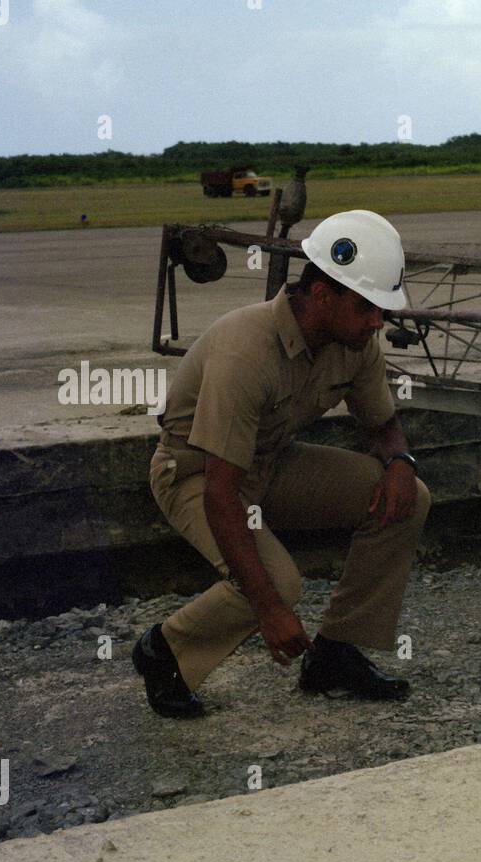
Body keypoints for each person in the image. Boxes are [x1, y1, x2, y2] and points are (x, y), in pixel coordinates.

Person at [133, 210, 429, 718]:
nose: (378, 321)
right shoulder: (245, 352)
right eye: (367, 307)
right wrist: (272, 610)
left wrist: (400, 460)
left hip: (268, 465)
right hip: (194, 473)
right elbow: (221, 496)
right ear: (321, 296)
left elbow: (381, 425)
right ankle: (163, 650)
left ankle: (335, 653)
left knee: (410, 496)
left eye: (381, 309)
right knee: (275, 584)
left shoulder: (354, 339)